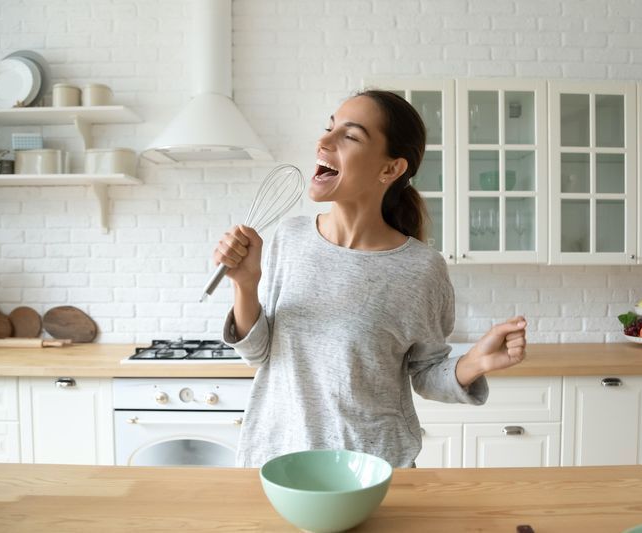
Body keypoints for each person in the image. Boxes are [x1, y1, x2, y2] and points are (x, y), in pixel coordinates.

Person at [215, 89, 527, 468]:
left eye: (349, 135)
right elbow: (260, 354)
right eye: (329, 128)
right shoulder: (289, 238)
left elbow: (427, 374)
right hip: (279, 461)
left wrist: (474, 362)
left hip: (373, 471)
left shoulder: (419, 268)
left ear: (390, 169)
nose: (324, 141)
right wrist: (244, 285)